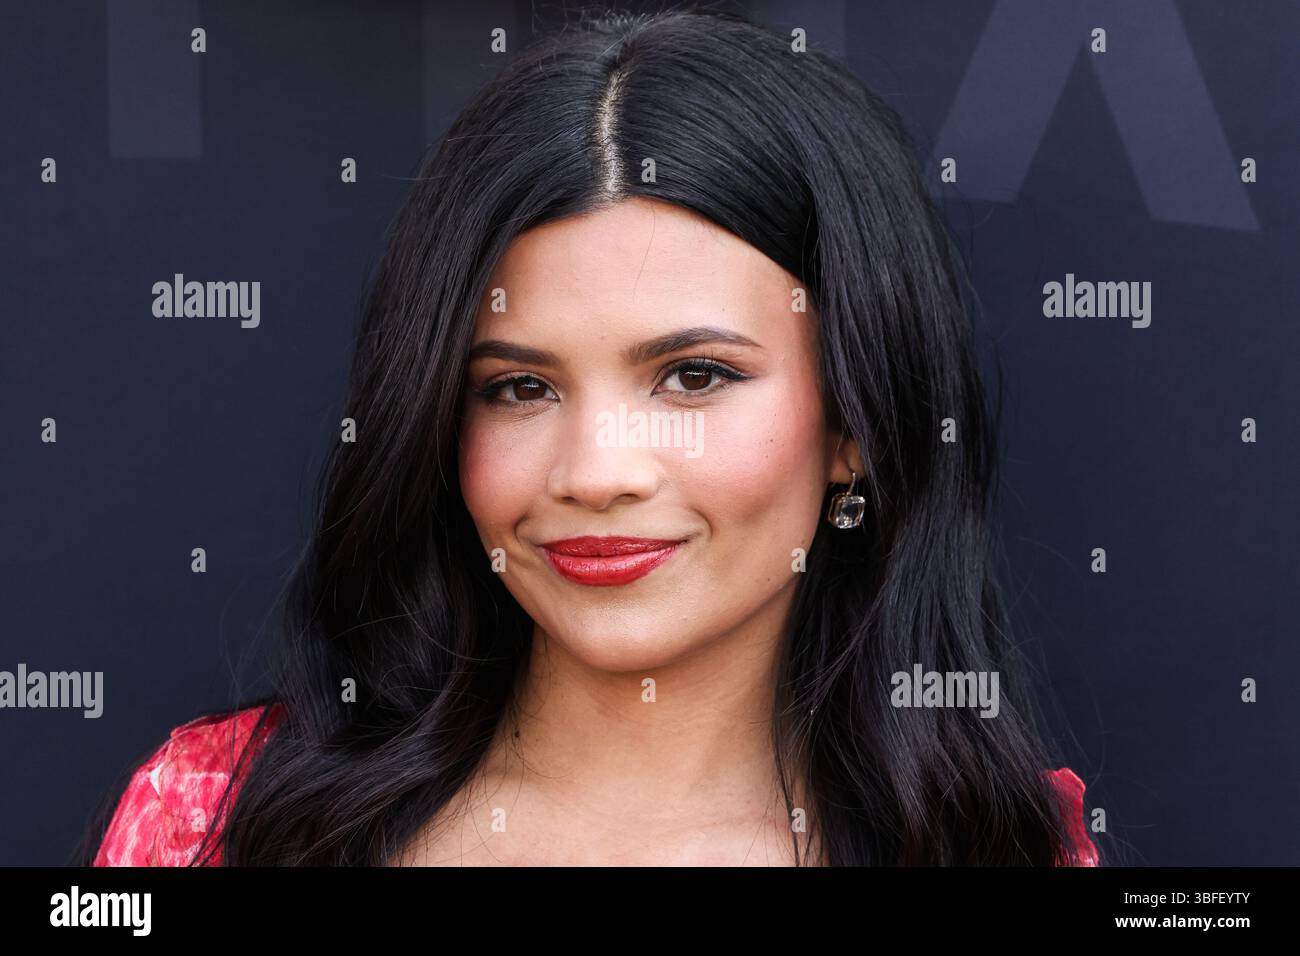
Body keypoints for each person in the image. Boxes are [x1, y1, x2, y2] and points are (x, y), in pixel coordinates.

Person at [87, 6, 1099, 867]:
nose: (596, 470)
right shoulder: (211, 821)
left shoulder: (990, 844)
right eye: (521, 386)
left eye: (693, 375)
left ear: (852, 426)